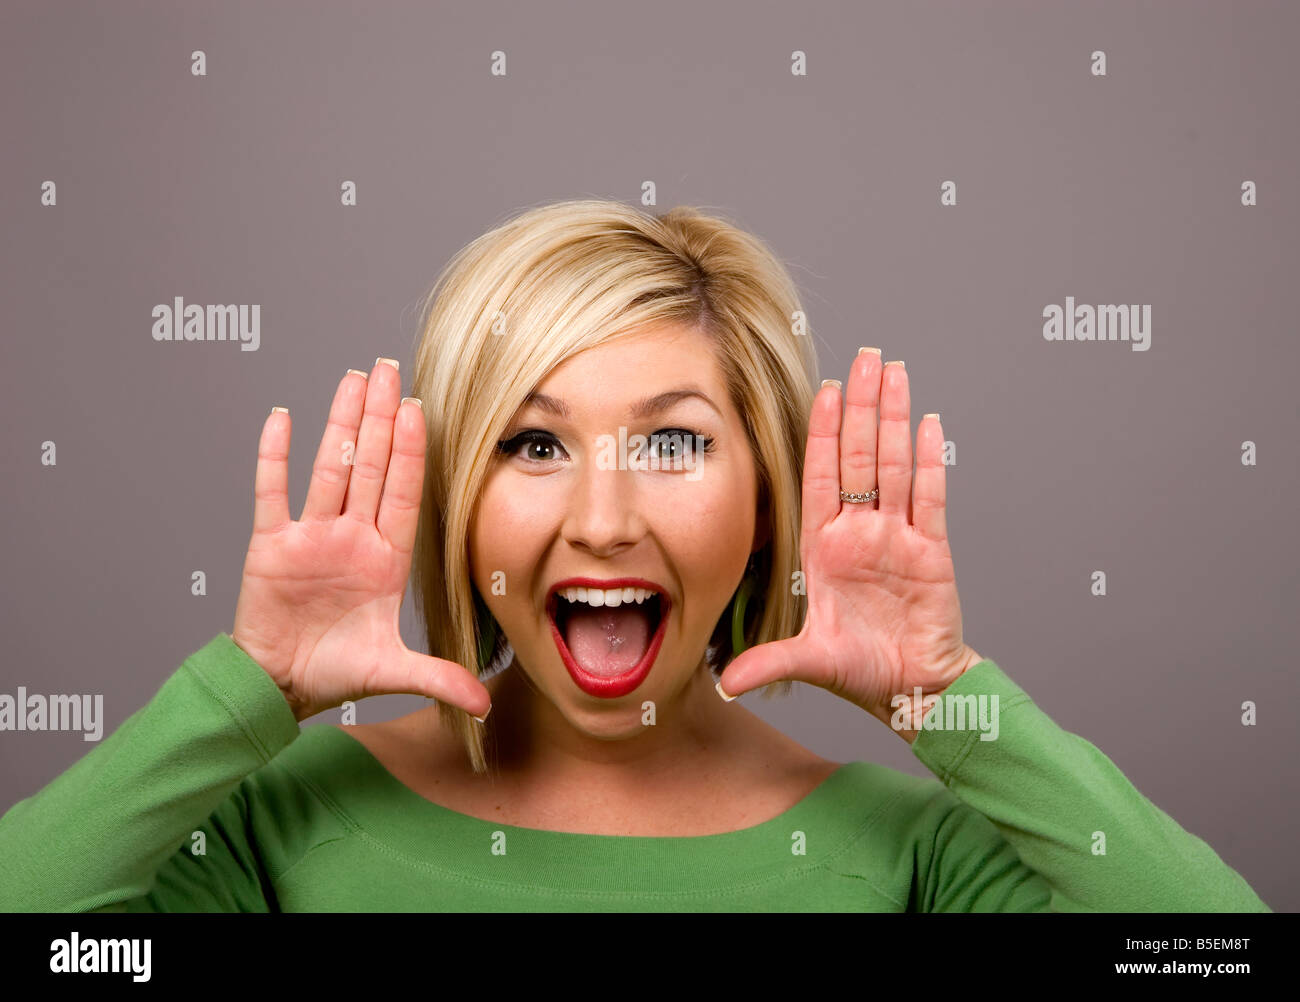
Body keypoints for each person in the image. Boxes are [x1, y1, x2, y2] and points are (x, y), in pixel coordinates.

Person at [0, 200, 1270, 911]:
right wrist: (246, 693)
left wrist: (948, 704)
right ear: (453, 504)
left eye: (673, 444)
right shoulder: (288, 823)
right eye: (532, 447)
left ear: (767, 498)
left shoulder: (909, 856)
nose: (603, 520)